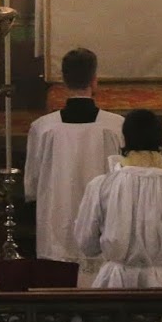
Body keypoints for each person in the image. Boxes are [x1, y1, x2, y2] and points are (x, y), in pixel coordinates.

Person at [24, 48, 125, 281]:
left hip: (56, 227)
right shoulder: (116, 126)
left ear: (63, 81)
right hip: (103, 229)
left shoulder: (43, 128)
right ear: (94, 81)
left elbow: (32, 185)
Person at [72, 108, 162, 288]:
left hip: (115, 284)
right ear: (160, 140)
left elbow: (87, 244)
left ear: (125, 138)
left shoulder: (101, 186)